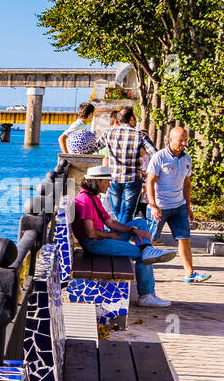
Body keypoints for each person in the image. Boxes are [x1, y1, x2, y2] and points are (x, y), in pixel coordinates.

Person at [71, 166, 175, 308]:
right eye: (107, 181)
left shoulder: (93, 198)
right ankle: (146, 295)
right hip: (94, 243)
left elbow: (110, 222)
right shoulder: (85, 201)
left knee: (140, 223)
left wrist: (133, 230)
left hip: (102, 237)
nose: (109, 185)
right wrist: (111, 236)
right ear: (97, 181)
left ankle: (147, 249)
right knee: (141, 255)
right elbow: (90, 233)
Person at [146, 125, 211, 284]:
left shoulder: (187, 158)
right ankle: (140, 272)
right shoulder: (159, 157)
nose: (184, 143)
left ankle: (190, 274)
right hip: (160, 207)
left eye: (186, 140)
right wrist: (153, 205)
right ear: (170, 139)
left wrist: (188, 206)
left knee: (184, 240)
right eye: (181, 140)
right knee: (149, 242)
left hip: (179, 206)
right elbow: (150, 181)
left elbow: (187, 184)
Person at [95, 106, 155, 224]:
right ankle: (122, 234)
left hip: (113, 178)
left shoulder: (108, 133)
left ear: (118, 120)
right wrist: (145, 172)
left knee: (117, 210)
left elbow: (94, 147)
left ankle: (120, 233)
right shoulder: (140, 135)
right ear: (131, 119)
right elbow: (155, 154)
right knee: (127, 212)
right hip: (133, 178)